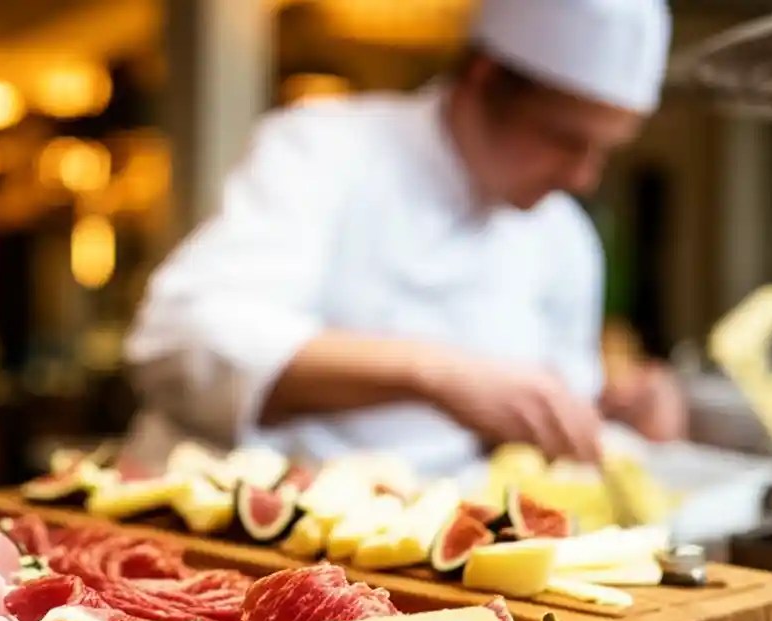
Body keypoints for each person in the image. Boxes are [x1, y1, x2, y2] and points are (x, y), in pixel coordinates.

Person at [123, 0, 686, 476]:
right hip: (249, 520)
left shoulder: (565, 237)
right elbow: (183, 338)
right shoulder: (320, 148)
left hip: (437, 557)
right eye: (564, 139)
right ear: (485, 79)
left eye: (604, 152)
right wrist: (435, 375)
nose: (581, 177)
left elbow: (539, 448)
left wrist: (615, 421)